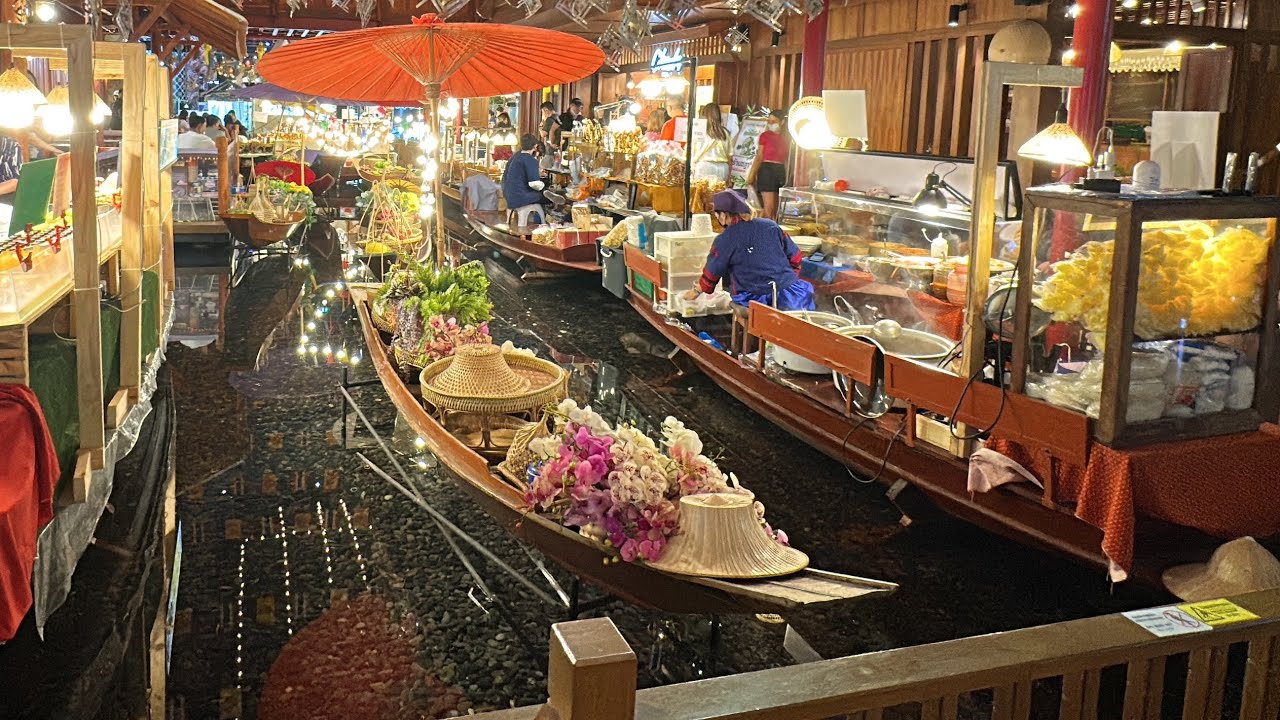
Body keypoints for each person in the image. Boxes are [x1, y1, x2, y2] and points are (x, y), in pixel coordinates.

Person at [683, 190, 814, 312]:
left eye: (717, 214)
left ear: (723, 215)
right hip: (793, 296)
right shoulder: (771, 226)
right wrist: (785, 280)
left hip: (754, 300)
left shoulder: (724, 239)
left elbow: (712, 273)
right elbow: (796, 257)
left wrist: (695, 292)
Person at [746, 109, 790, 221]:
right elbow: (759, 156)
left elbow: (787, 159)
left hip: (780, 171)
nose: (770, 124)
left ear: (782, 122)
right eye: (769, 121)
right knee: (769, 208)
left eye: (773, 121)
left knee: (776, 209)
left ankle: (767, 227)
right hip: (767, 170)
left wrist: (787, 177)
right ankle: (763, 228)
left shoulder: (787, 137)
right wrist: (751, 175)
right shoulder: (765, 136)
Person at [500, 134, 546, 224]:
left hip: (509, 195)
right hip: (521, 197)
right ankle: (541, 223)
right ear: (535, 146)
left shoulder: (515, 157)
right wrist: (543, 187)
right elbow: (534, 184)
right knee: (544, 197)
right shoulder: (530, 160)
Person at [691, 103, 731, 183]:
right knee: (719, 190)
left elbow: (692, 151)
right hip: (723, 168)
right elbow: (730, 155)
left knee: (702, 190)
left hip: (703, 166)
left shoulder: (699, 131)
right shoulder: (725, 132)